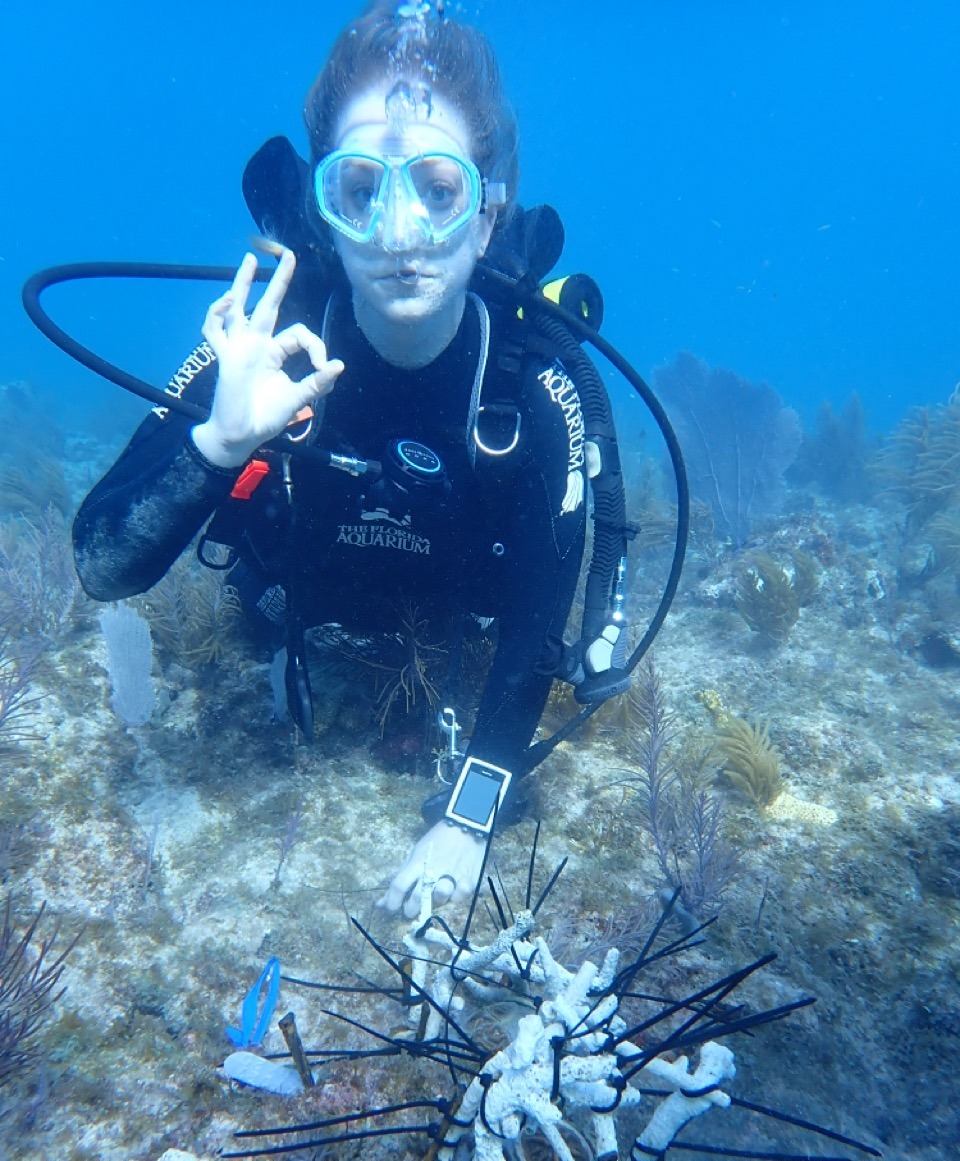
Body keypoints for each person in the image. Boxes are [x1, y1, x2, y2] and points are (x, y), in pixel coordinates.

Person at [73, 0, 628, 917]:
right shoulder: (266, 349)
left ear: (486, 216)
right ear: (324, 215)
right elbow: (101, 564)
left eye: (438, 191)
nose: (400, 233)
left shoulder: (533, 382)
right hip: (292, 608)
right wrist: (219, 441)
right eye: (362, 190)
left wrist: (468, 818)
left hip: (453, 633)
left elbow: (537, 623)